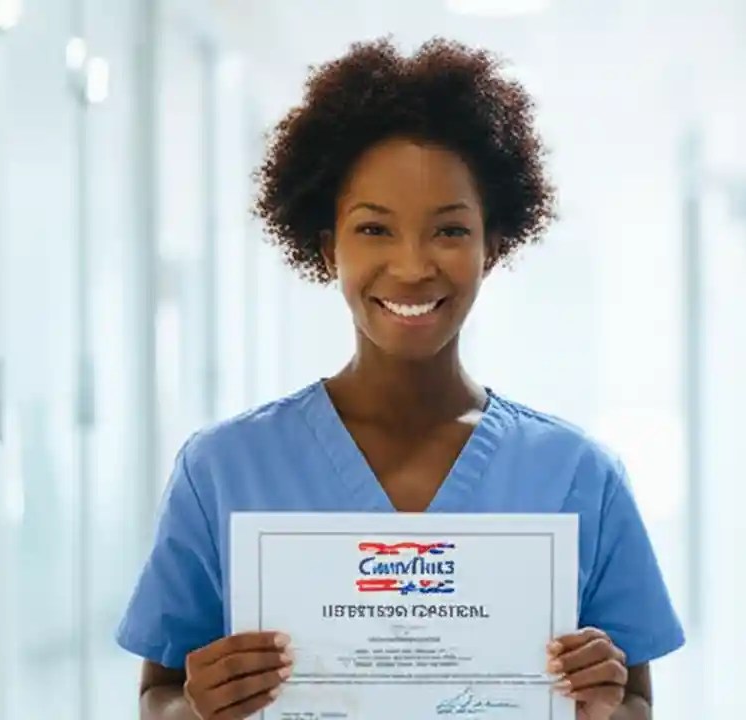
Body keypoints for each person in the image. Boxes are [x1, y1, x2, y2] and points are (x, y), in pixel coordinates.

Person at [116, 37, 684, 720]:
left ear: (492, 247)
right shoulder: (221, 471)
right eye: (374, 230)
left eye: (448, 231)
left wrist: (601, 706)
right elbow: (158, 696)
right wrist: (196, 708)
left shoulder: (579, 477)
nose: (413, 266)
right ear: (327, 247)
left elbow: (636, 706)